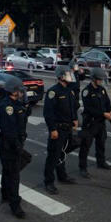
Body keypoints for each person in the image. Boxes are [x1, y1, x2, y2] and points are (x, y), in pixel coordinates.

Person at [43, 66, 78, 194]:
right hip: (57, 128)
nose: (69, 76)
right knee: (53, 155)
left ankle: (62, 176)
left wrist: (74, 118)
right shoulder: (53, 92)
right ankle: (49, 181)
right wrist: (52, 129)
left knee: (62, 154)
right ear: (61, 76)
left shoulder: (69, 91)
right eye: (67, 74)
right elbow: (48, 113)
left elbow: (72, 108)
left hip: (67, 127)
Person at [0, 75, 29, 218]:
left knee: (8, 170)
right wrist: (17, 146)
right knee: (14, 174)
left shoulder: (16, 104)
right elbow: (9, 130)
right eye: (19, 91)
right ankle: (15, 204)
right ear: (13, 91)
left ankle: (5, 194)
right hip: (9, 144)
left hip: (14, 142)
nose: (22, 93)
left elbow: (23, 118)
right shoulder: (7, 106)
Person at [79, 67, 111, 176]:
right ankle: (83, 168)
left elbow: (107, 102)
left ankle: (101, 162)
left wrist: (110, 111)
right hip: (90, 123)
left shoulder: (101, 89)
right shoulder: (86, 91)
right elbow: (89, 108)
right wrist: (103, 114)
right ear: (93, 78)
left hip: (100, 122)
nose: (100, 81)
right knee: (85, 146)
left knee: (101, 143)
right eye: (99, 79)